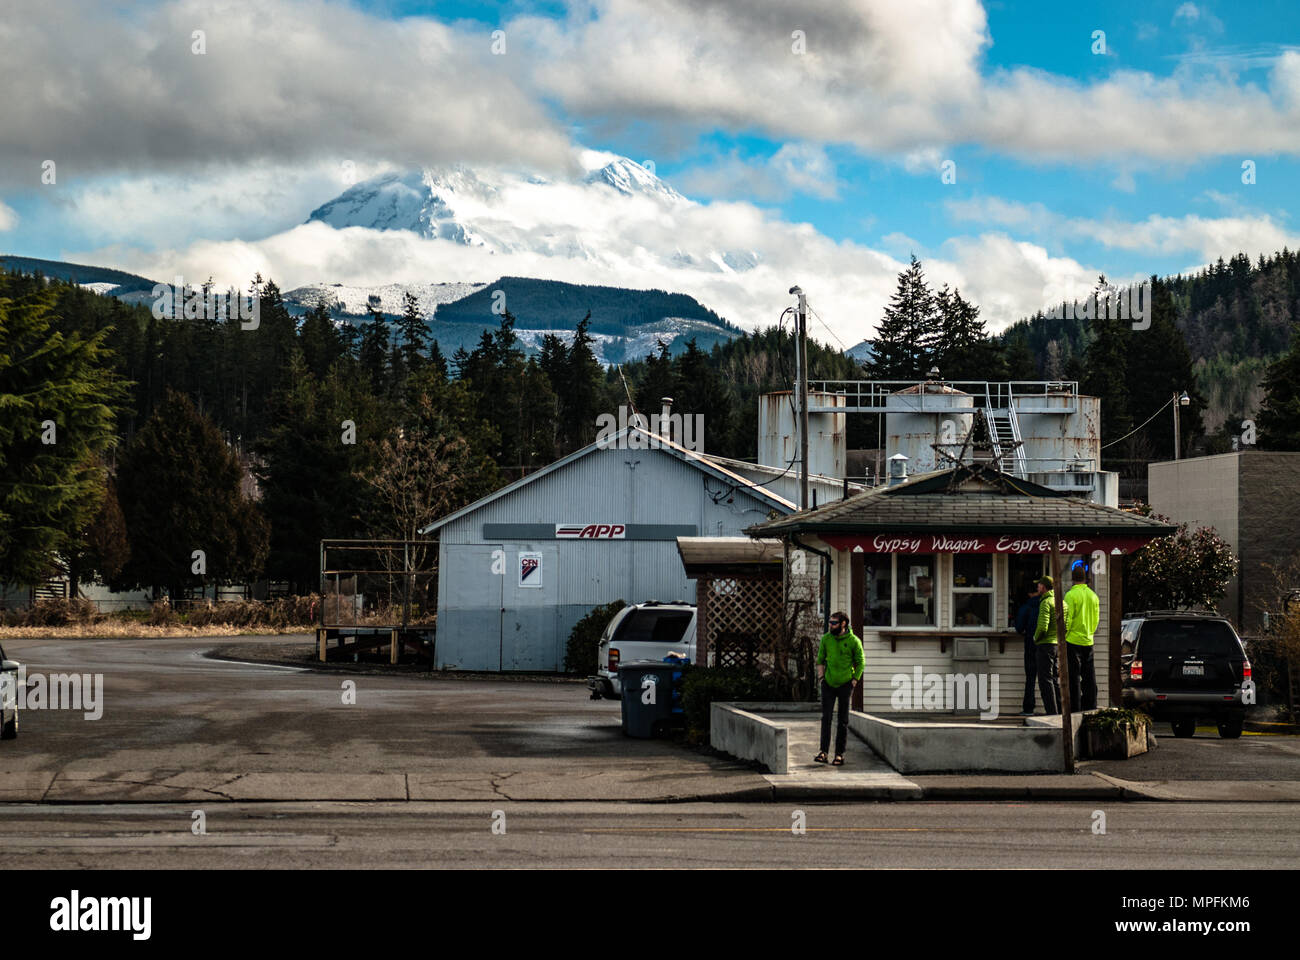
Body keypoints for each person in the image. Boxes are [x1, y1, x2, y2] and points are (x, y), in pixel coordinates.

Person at [814, 611, 864, 766]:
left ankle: (839, 754)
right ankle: (823, 752)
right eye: (830, 622)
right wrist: (821, 678)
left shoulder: (854, 641)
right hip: (828, 683)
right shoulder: (826, 639)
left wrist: (854, 680)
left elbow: (861, 662)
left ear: (843, 624)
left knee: (843, 720)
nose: (830, 625)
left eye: (834, 623)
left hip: (845, 684)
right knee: (826, 718)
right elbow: (820, 660)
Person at [1063, 566, 1100, 710]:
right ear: (1085, 578)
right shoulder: (1093, 596)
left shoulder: (1070, 595)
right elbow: (1096, 619)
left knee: (1074, 677)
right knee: (1089, 675)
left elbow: (1068, 619)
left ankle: (1075, 708)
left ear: (1072, 579)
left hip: (1073, 640)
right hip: (1088, 639)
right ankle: (1091, 706)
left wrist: (1064, 634)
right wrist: (1090, 632)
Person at [1014, 580, 1046, 715]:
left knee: (1031, 677)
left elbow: (1019, 628)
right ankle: (1053, 708)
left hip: (1031, 644)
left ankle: (1029, 707)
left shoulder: (1026, 607)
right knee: (1048, 678)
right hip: (1047, 644)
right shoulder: (1048, 604)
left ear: (1029, 593)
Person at [1032, 576, 1061, 715]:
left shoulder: (1045, 602)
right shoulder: (1061, 602)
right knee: (1054, 679)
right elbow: (1066, 625)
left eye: (1039, 585)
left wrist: (1035, 638)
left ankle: (1051, 712)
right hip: (1057, 645)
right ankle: (1059, 711)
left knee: (1045, 681)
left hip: (1045, 645)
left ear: (1043, 587)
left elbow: (1043, 627)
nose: (1037, 587)